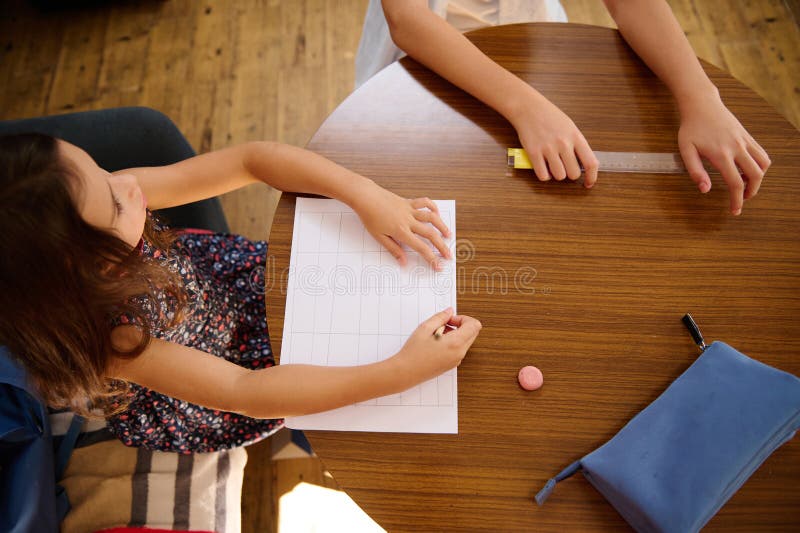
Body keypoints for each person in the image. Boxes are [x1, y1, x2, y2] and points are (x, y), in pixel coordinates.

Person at [0, 132, 481, 453]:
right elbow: (244, 391)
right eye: (111, 197)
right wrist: (402, 371)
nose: (126, 181)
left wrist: (364, 193)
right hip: (234, 374)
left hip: (230, 284)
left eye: (103, 169)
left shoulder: (119, 195)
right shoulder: (114, 342)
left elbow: (250, 160)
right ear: (89, 267)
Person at [358, 0, 771, 216]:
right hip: (428, 56)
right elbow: (406, 16)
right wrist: (526, 107)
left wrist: (700, 96)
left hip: (537, 42)